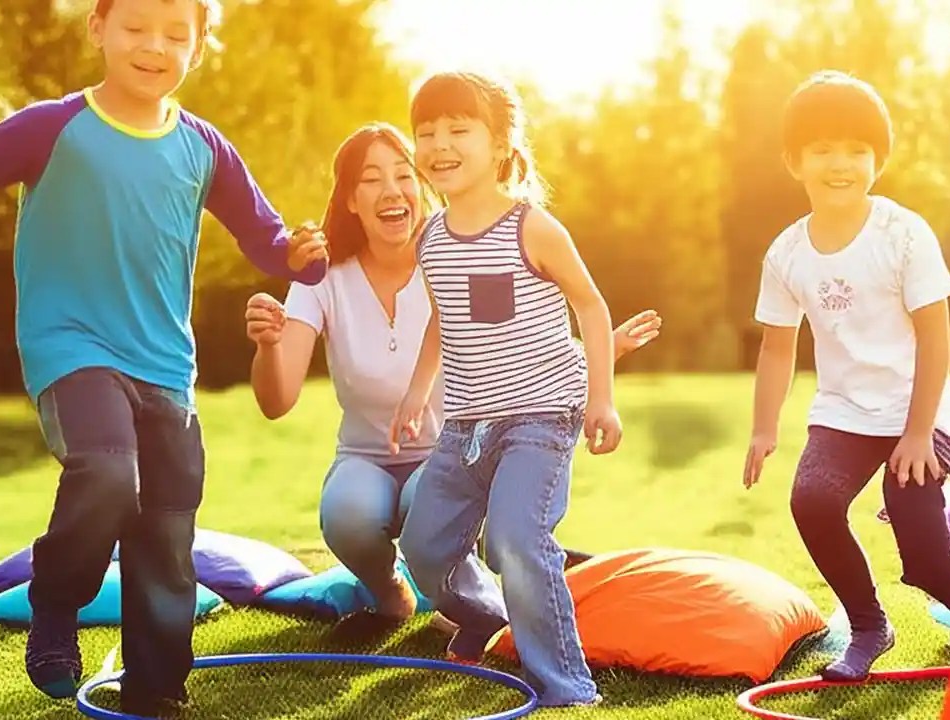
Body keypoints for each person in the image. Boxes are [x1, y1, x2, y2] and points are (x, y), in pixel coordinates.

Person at [0, 0, 328, 713]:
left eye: (175, 34)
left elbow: (267, 240)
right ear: (98, 29)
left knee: (167, 530)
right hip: (71, 348)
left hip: (165, 366)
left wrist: (302, 257)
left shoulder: (204, 147)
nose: (153, 46)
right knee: (106, 470)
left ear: (197, 51)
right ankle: (55, 603)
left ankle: (156, 688)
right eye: (135, 27)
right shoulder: (54, 127)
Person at [244, 122, 660, 635]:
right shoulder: (323, 276)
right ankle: (389, 594)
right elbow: (276, 399)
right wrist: (268, 344)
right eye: (372, 179)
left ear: (422, 187)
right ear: (350, 199)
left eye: (403, 174)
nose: (392, 190)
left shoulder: (457, 253)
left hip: (452, 451)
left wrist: (603, 352)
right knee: (348, 512)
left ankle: (468, 600)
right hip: (365, 458)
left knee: (435, 499)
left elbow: (516, 353)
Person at [384, 70, 622, 709]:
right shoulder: (429, 239)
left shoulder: (531, 227)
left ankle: (565, 687)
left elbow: (591, 307)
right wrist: (417, 391)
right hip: (464, 426)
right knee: (423, 547)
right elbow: (444, 317)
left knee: (518, 540)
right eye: (427, 132)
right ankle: (484, 613)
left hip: (540, 419)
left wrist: (601, 397)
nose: (440, 145)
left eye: (458, 130)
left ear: (499, 144)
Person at [742, 70, 950, 682]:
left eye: (856, 149)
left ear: (879, 158)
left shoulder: (902, 233)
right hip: (845, 412)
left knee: (926, 558)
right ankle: (870, 624)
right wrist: (763, 428)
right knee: (813, 500)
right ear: (794, 161)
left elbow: (935, 335)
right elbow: (777, 347)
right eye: (822, 149)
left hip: (917, 410)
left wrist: (920, 432)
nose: (840, 163)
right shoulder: (786, 252)